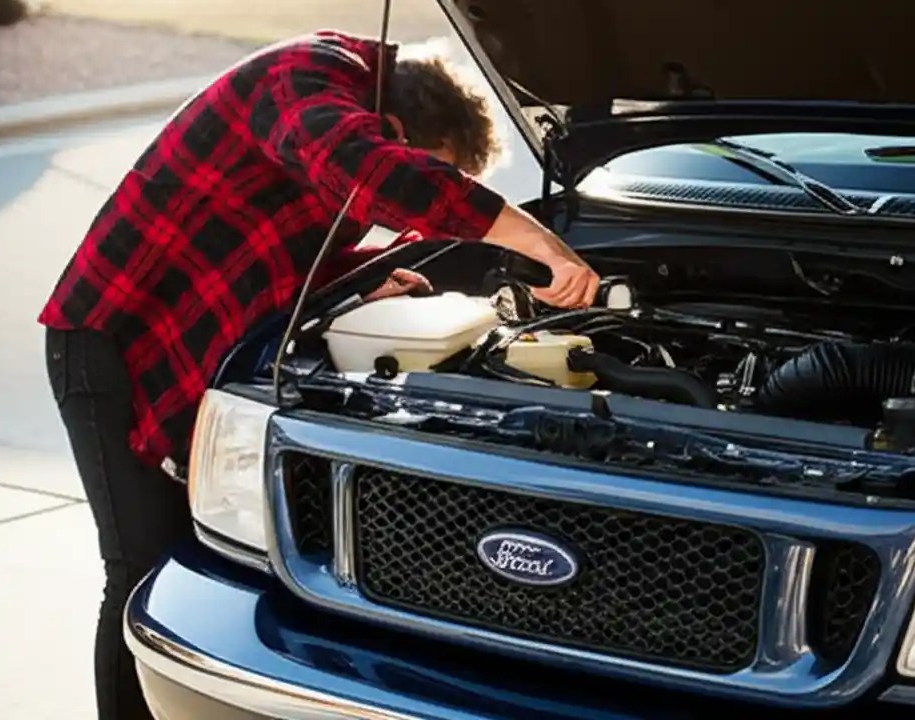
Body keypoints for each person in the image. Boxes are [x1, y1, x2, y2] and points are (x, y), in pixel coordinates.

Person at [37, 29, 599, 720]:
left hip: (184, 336)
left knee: (183, 550)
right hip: (111, 340)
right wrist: (533, 238)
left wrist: (367, 289)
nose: (395, 219)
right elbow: (362, 168)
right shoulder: (304, 77)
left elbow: (276, 247)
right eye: (432, 172)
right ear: (394, 127)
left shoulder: (336, 104)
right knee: (140, 567)